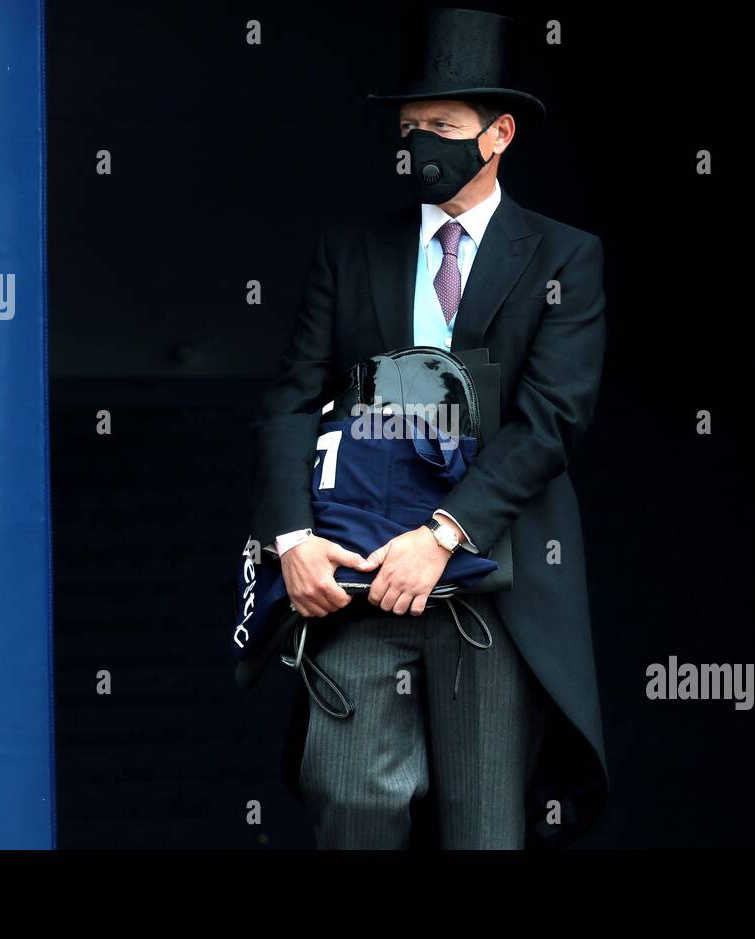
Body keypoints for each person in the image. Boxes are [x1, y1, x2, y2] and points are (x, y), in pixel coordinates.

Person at [250, 7, 608, 849]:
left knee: (483, 829)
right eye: (408, 129)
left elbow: (552, 421)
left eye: (441, 127)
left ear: (498, 134)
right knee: (349, 799)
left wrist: (446, 532)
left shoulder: (564, 256)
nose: (418, 144)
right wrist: (290, 537)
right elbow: (292, 399)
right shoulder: (351, 250)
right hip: (360, 578)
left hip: (493, 587)